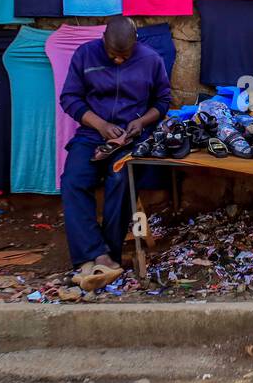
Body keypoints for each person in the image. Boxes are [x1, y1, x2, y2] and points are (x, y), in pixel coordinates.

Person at [59, 16, 171, 289]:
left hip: (131, 139)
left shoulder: (150, 59)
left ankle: (105, 255)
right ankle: (97, 255)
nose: (119, 61)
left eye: (125, 55)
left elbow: (163, 100)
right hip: (91, 135)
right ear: (103, 42)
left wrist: (141, 122)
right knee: (72, 181)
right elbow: (69, 98)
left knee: (120, 180)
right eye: (112, 55)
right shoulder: (85, 55)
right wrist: (100, 124)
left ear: (136, 44)